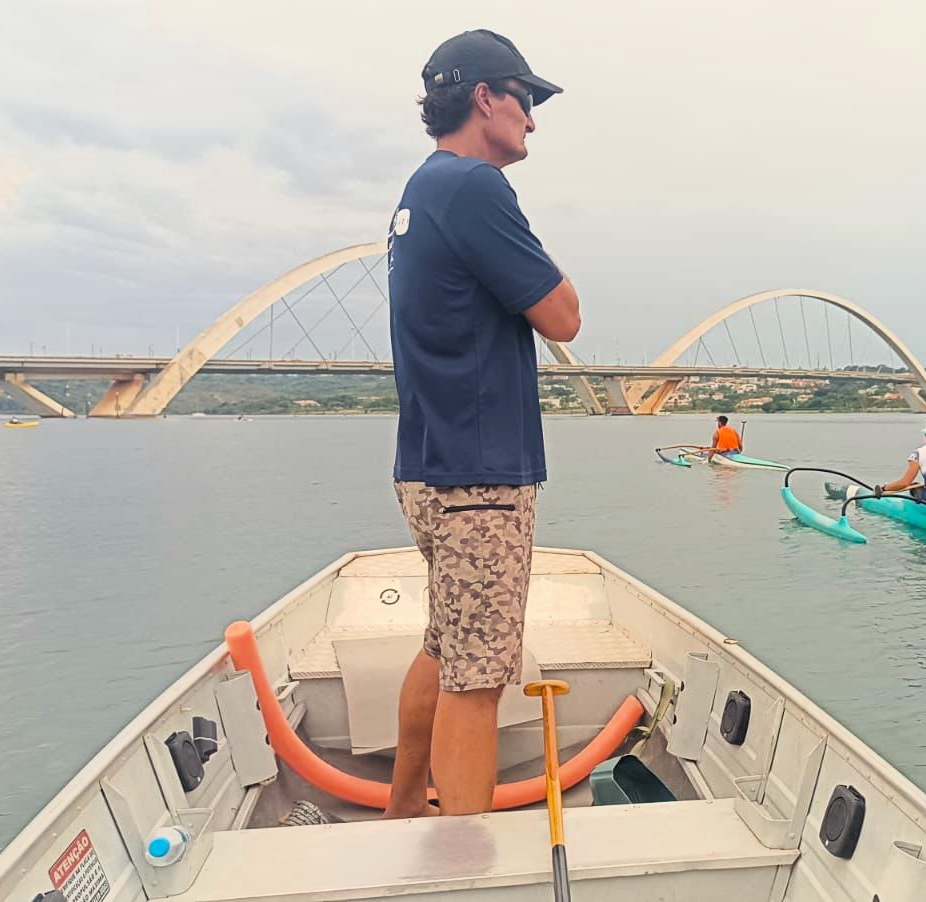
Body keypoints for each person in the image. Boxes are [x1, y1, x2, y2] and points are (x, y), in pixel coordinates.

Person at [383, 29, 579, 819]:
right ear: (484, 97)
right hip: (480, 480)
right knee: (479, 681)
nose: (532, 119)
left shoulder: (422, 190)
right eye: (525, 99)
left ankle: (403, 812)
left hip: (430, 468)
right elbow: (563, 316)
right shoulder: (473, 187)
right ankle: (464, 865)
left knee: (444, 648)